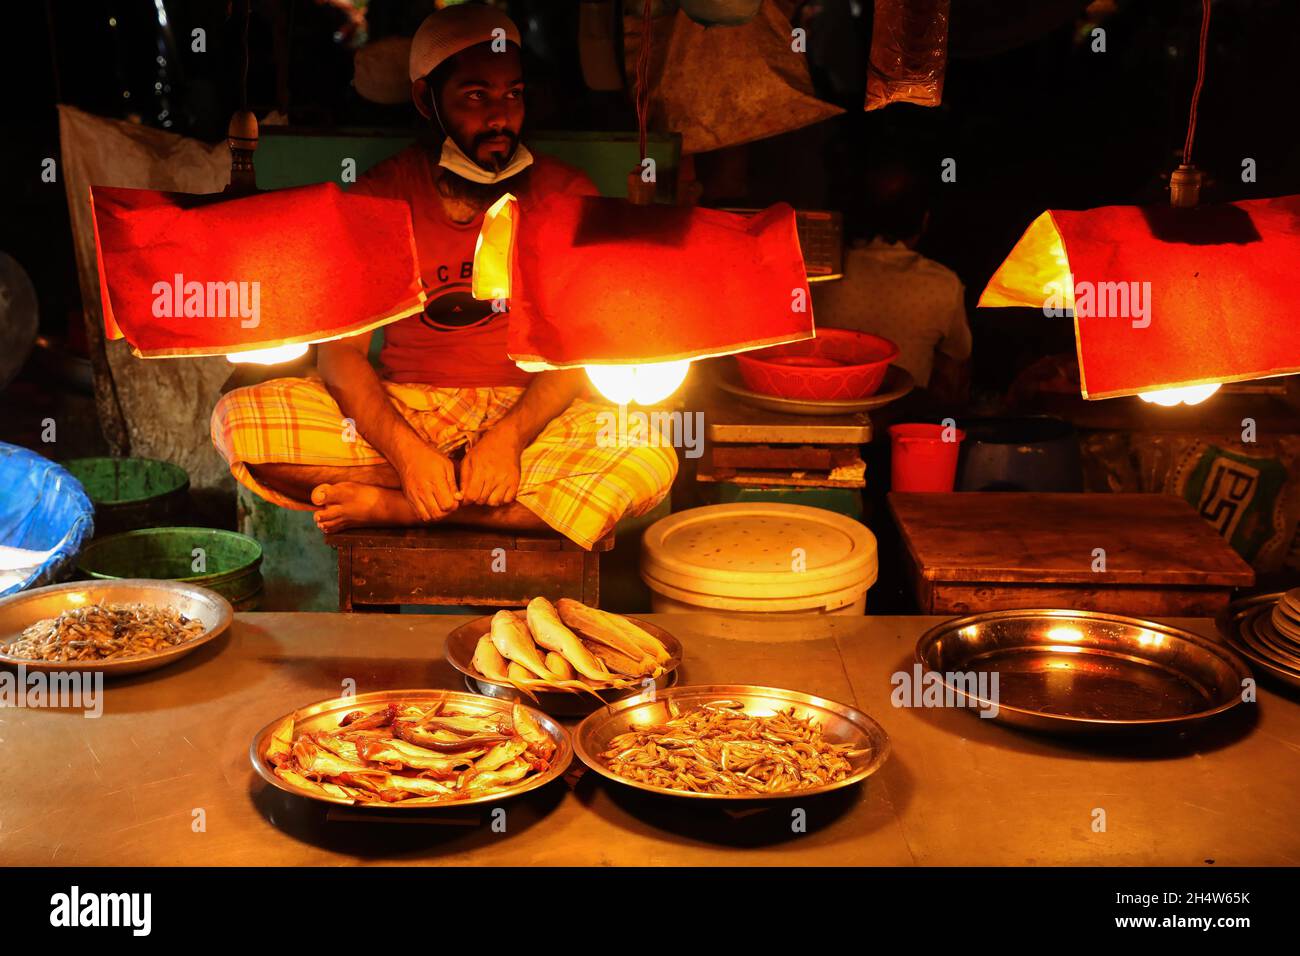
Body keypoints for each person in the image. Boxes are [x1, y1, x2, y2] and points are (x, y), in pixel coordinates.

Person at [211, 4, 677, 550]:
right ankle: (467, 494)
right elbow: (341, 356)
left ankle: (403, 509)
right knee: (239, 422)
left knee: (647, 453)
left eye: (514, 94)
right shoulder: (380, 196)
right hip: (405, 408)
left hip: (527, 421)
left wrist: (507, 439)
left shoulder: (563, 194)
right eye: (476, 96)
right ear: (425, 100)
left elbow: (573, 357)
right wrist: (409, 457)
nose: (501, 117)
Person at [811, 159, 972, 405]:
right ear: (924, 220)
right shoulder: (942, 283)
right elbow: (958, 358)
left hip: (823, 407)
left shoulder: (816, 274)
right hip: (901, 420)